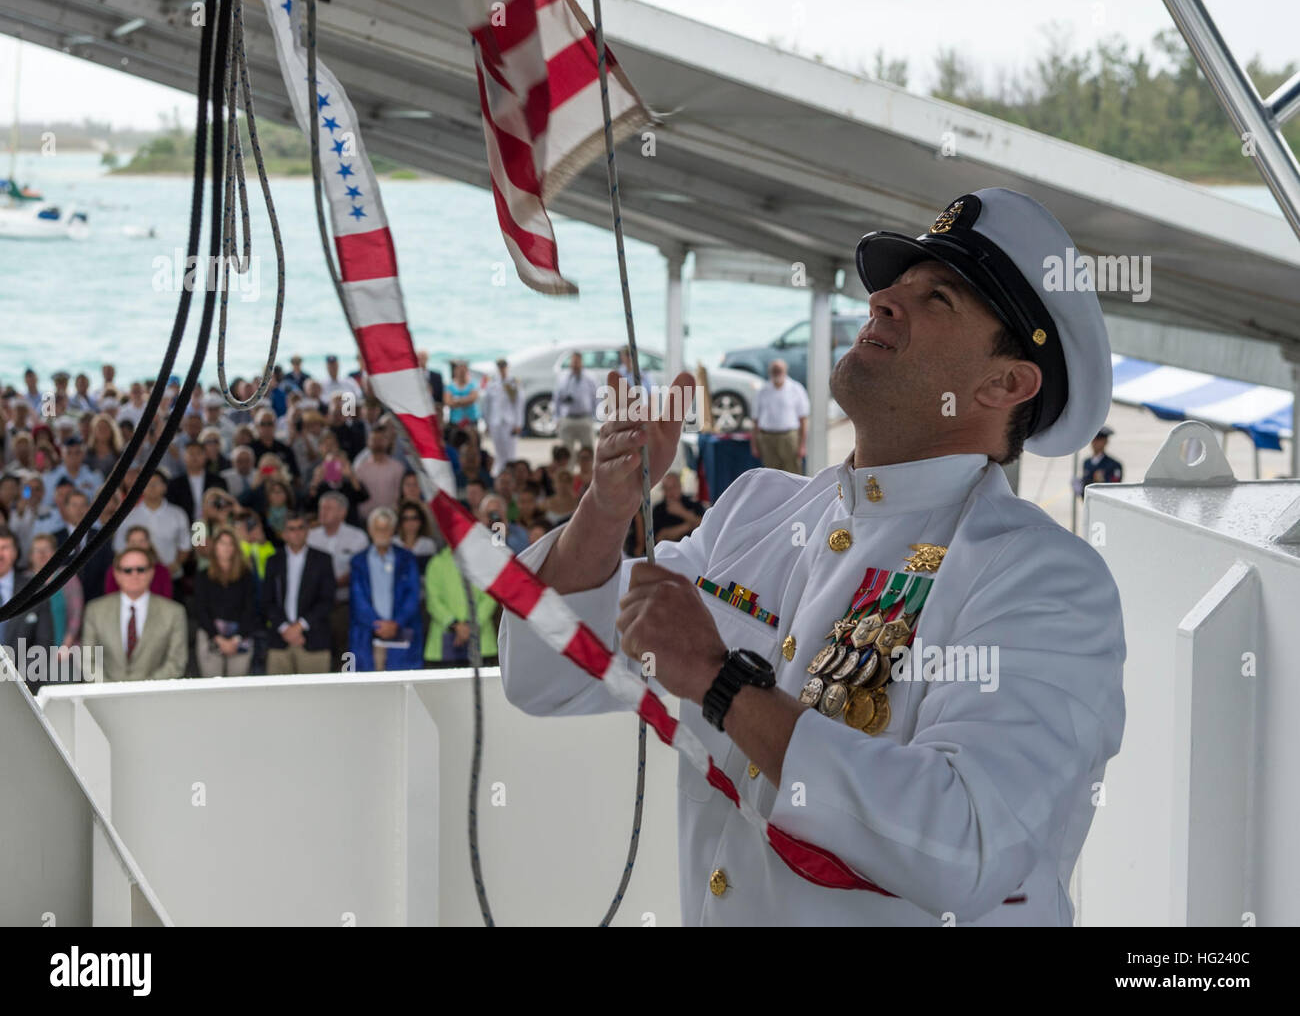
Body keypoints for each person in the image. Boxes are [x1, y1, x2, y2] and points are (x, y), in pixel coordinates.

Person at [499, 188, 1126, 926]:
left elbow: (966, 843)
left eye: (938, 298)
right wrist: (606, 511)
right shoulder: (756, 509)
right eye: (894, 282)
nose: (884, 298)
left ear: (1006, 382)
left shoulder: (1044, 578)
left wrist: (719, 681)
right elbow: (540, 675)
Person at [81, 546, 188, 682]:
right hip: (106, 696)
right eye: (127, 570)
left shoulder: (174, 612)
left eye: (141, 569)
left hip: (154, 696)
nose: (134, 575)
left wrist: (142, 690)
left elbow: (176, 662)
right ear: (116, 574)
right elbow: (87, 660)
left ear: (151, 572)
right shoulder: (95, 610)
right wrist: (111, 689)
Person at [349, 507, 423, 672]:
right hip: (368, 635)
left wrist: (395, 623)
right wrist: (378, 625)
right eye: (378, 528)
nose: (382, 533)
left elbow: (412, 595)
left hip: (401, 632)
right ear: (369, 530)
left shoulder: (407, 558)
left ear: (393, 530)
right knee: (368, 688)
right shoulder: (358, 561)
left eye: (386, 528)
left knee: (402, 685)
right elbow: (358, 598)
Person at [261, 512, 335, 675]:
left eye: (301, 528)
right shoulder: (273, 561)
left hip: (314, 638)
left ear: (307, 530)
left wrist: (300, 626)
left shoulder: (323, 560)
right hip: (280, 639)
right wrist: (285, 628)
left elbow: (327, 600)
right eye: (291, 529)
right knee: (278, 696)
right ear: (284, 533)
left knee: (314, 697)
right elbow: (267, 601)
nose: (296, 532)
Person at [306, 492, 369, 669]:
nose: (323, 512)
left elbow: (359, 571)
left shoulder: (358, 537)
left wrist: (330, 585)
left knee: (345, 653)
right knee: (319, 653)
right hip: (316, 607)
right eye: (321, 507)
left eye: (328, 508)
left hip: (344, 605)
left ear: (342, 512)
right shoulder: (311, 536)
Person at [0, 527, 61, 693]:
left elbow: (44, 642)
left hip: (24, 687)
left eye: (5, 548)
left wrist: (15, 681)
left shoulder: (33, 589)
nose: (0, 554)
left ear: (15, 552)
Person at [192, 529, 260, 677]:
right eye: (222, 543)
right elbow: (200, 609)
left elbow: (251, 608)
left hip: (241, 637)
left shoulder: (246, 575)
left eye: (230, 544)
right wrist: (218, 638)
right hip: (210, 635)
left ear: (236, 548)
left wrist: (236, 639)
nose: (227, 547)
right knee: (211, 688)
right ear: (215, 546)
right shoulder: (203, 576)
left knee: (237, 689)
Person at [424, 534, 498, 668]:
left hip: (482, 644)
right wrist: (455, 625)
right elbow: (433, 601)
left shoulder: (484, 563)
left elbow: (490, 598)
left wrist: (469, 625)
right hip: (444, 643)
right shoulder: (436, 563)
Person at [113, 470, 191, 581]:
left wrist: (173, 566)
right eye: (147, 483)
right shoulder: (129, 516)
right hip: (135, 577)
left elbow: (185, 546)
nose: (152, 487)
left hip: (171, 576)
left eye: (156, 483)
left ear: (165, 487)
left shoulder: (178, 514)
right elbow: (119, 548)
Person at [752, 358, 810, 475]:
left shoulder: (796, 389)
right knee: (771, 474)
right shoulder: (762, 391)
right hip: (767, 438)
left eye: (779, 370)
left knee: (793, 473)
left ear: (785, 371)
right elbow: (755, 421)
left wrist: (802, 445)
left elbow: (803, 420)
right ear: (770, 372)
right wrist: (754, 445)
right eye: (774, 370)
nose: (777, 372)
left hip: (789, 437)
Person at [353, 423, 405, 521]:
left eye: (381, 440)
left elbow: (399, 496)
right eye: (374, 440)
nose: (378, 443)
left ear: (388, 442)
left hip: (391, 518)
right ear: (368, 442)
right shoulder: (360, 468)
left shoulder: (398, 468)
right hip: (366, 519)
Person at [104, 527, 174, 598]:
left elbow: (166, 599)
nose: (137, 545)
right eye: (133, 542)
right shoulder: (115, 569)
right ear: (127, 544)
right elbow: (111, 598)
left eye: (141, 541)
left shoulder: (162, 570)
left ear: (148, 543)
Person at [166, 440, 225, 522]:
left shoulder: (218, 481)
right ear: (184, 457)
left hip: (212, 525)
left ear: (205, 456)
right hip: (184, 526)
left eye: (198, 453)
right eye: (191, 453)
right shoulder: (174, 484)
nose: (194, 457)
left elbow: (224, 505)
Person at [554, 350, 598, 453]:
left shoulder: (590, 378)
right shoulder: (563, 377)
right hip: (568, 418)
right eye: (573, 362)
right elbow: (557, 399)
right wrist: (556, 418)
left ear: (581, 362)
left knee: (587, 450)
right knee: (567, 452)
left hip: (585, 418)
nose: (575, 364)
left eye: (577, 362)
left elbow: (596, 398)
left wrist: (594, 417)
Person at [482, 358, 524, 463]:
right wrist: (486, 422)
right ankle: (501, 471)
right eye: (500, 367)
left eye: (503, 367)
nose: (502, 369)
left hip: (510, 421)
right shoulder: (492, 382)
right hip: (495, 421)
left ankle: (510, 470)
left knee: (511, 450)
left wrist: (519, 423)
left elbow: (519, 404)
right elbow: (487, 404)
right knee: (499, 450)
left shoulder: (514, 382)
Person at [652, 470, 706, 544]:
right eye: (666, 488)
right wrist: (689, 525)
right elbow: (660, 537)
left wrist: (682, 512)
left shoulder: (693, 504)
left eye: (673, 487)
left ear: (680, 486)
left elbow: (705, 526)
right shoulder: (658, 510)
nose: (670, 491)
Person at [1079, 426, 1123, 490]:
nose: (1095, 442)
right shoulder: (1087, 462)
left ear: (1105, 442)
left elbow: (1115, 487)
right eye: (1093, 439)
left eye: (1098, 439)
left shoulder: (1114, 464)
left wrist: (1101, 482)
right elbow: (1085, 486)